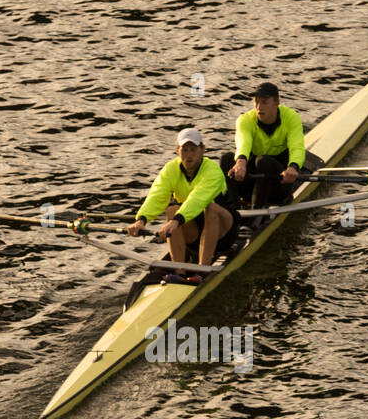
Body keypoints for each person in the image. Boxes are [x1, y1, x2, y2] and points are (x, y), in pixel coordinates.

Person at [128, 129, 237, 284]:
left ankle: (201, 272)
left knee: (210, 208)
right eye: (184, 150)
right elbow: (157, 195)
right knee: (171, 210)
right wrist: (141, 220)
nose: (189, 154)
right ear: (177, 150)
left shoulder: (212, 170)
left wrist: (176, 221)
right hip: (193, 230)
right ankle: (179, 274)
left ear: (202, 150)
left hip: (223, 232)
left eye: (193, 149)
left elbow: (198, 199)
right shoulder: (170, 170)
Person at [220, 81, 306, 208]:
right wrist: (241, 161)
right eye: (256, 101)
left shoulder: (291, 118)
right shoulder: (245, 120)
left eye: (264, 102)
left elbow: (297, 147)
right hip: (255, 181)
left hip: (279, 182)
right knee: (226, 159)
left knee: (263, 161)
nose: (259, 107)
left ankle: (256, 214)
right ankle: (234, 210)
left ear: (276, 103)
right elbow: (243, 141)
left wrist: (293, 167)